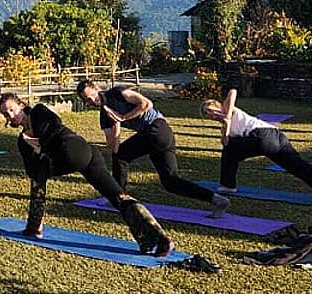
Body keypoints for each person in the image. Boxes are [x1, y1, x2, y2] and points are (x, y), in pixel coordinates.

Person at [0, 92, 174, 257]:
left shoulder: (38, 111)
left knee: (39, 177)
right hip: (87, 153)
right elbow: (31, 169)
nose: (11, 116)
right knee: (118, 195)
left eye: (12, 110)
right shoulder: (23, 141)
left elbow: (55, 124)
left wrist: (40, 153)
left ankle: (35, 227)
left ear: (21, 105)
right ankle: (158, 238)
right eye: (6, 114)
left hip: (72, 150)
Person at [76, 79, 231, 218]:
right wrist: (116, 124)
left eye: (93, 96)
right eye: (88, 100)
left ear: (96, 88)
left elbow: (146, 103)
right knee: (170, 182)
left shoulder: (117, 92)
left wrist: (123, 117)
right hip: (155, 135)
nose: (93, 101)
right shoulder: (104, 116)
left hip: (158, 129)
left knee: (122, 156)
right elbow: (114, 147)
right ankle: (218, 200)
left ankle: (119, 198)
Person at [201, 90, 312, 204]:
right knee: (230, 150)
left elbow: (233, 91)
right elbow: (225, 142)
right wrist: (226, 125)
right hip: (273, 139)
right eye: (207, 115)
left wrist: (227, 116)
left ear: (218, 105)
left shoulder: (229, 108)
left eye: (211, 110)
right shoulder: (224, 126)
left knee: (299, 167)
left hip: (265, 137)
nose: (211, 115)